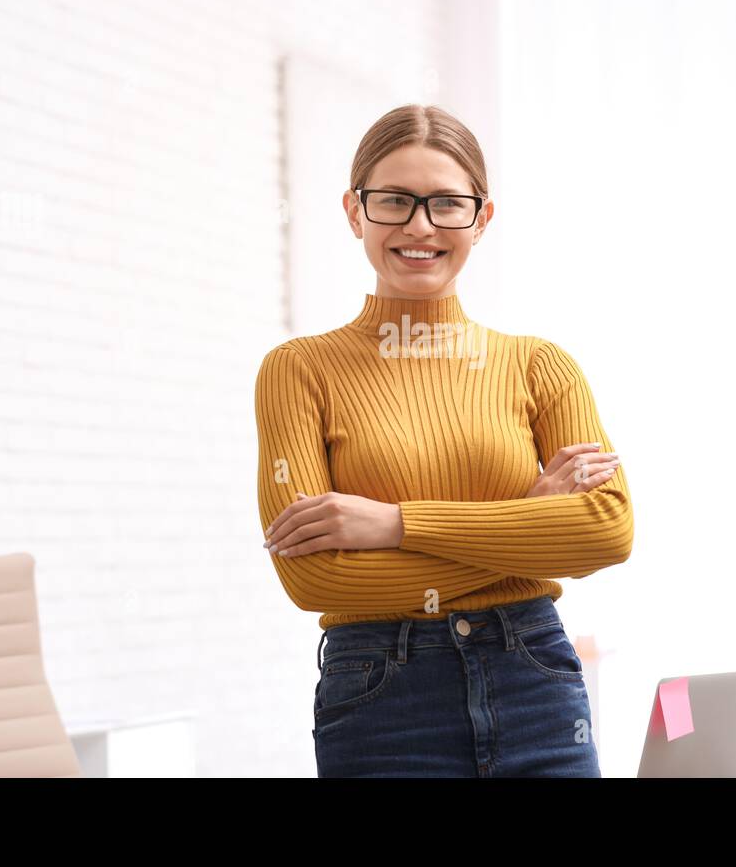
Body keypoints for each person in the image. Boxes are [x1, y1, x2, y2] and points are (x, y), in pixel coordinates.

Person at [253, 103, 633, 777]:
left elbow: (605, 532)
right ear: (354, 211)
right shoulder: (299, 371)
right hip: (381, 698)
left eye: (447, 204)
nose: (420, 227)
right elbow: (314, 577)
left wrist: (394, 524)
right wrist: (530, 515)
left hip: (536, 683)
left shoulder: (540, 365)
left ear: (481, 219)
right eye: (394, 201)